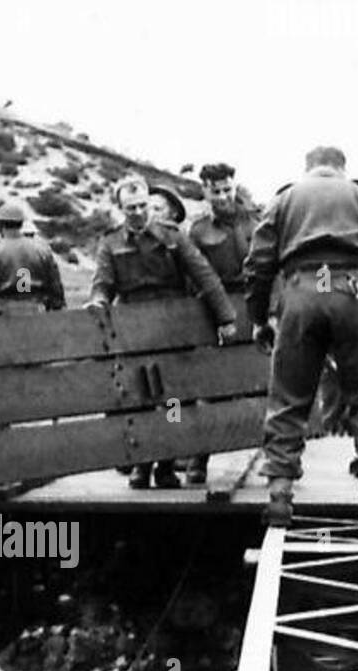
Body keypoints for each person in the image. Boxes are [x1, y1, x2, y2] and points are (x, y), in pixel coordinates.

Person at [241, 145, 358, 527]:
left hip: (302, 290)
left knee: (289, 395)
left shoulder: (285, 199)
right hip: (351, 291)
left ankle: (279, 498)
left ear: (308, 168)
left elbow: (258, 264)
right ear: (341, 168)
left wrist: (258, 317)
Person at [88, 175, 239, 489]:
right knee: (139, 399)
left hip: (173, 327)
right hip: (133, 329)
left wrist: (225, 317)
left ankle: (167, 464)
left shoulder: (173, 237)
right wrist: (99, 300)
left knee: (173, 401)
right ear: (120, 209)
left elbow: (204, 276)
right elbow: (103, 283)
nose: (139, 213)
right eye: (131, 208)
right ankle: (142, 466)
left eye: (143, 206)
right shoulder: (111, 242)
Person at [186, 162, 259, 483]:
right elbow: (195, 279)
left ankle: (279, 459)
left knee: (263, 384)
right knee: (211, 388)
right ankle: (199, 459)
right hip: (216, 311)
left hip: (254, 305)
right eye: (216, 191)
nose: (223, 196)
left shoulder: (258, 221)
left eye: (227, 189)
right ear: (205, 192)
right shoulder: (198, 231)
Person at [0, 200, 65, 317]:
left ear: (0, 225)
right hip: (39, 311)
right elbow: (56, 287)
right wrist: (57, 308)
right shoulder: (43, 250)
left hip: (5, 315)